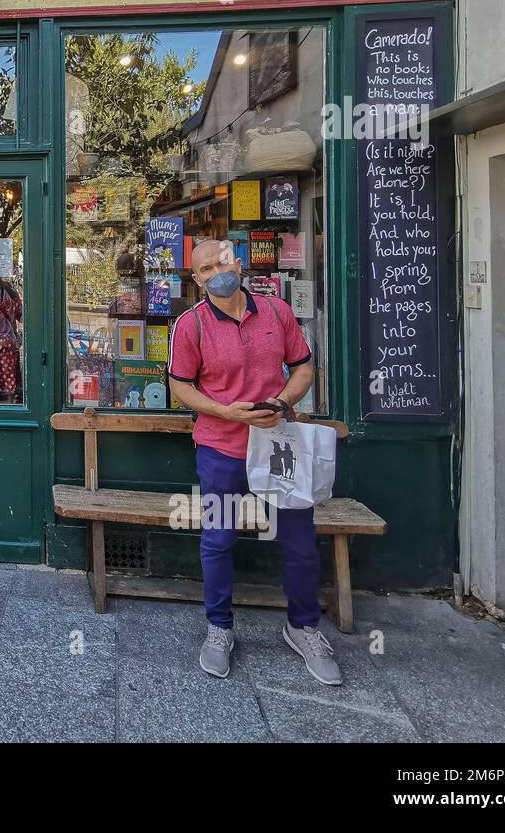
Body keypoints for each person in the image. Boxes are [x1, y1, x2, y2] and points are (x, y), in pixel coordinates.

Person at [167, 239, 337, 685]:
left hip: (281, 446)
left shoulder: (278, 313)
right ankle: (219, 628)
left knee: (299, 541)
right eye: (205, 268)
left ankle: (303, 628)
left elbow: (303, 367)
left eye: (222, 261)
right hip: (221, 448)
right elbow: (180, 386)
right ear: (197, 279)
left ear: (237, 264)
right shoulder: (191, 326)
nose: (216, 271)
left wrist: (282, 402)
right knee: (218, 539)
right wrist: (225, 411)